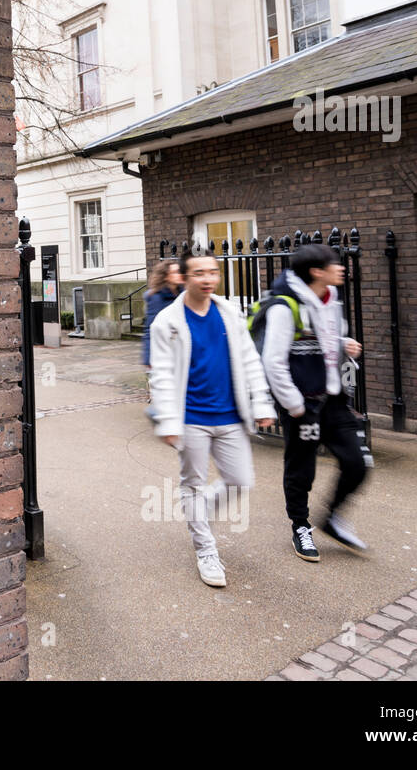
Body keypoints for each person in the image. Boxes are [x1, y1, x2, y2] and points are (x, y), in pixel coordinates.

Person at [148, 249, 276, 587]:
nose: (208, 279)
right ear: (185, 278)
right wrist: (168, 421)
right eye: (199, 273)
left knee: (240, 480)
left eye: (213, 272)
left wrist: (262, 403)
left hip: (230, 415)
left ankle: (198, 510)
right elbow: (160, 374)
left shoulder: (229, 312)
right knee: (193, 483)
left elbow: (249, 359)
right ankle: (205, 550)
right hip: (191, 417)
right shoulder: (168, 321)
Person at [257, 243, 367, 562]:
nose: (341, 267)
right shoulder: (284, 306)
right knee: (301, 467)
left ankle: (332, 518)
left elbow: (322, 340)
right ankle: (300, 526)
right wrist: (294, 406)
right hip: (302, 402)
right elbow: (273, 362)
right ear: (317, 272)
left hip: (332, 398)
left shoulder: (331, 300)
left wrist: (342, 344)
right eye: (334, 263)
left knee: (356, 463)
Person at [142, 260, 184, 369]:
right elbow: (150, 328)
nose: (180, 274)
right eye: (175, 272)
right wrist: (148, 357)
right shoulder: (157, 297)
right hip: (165, 348)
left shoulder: (183, 293)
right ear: (166, 276)